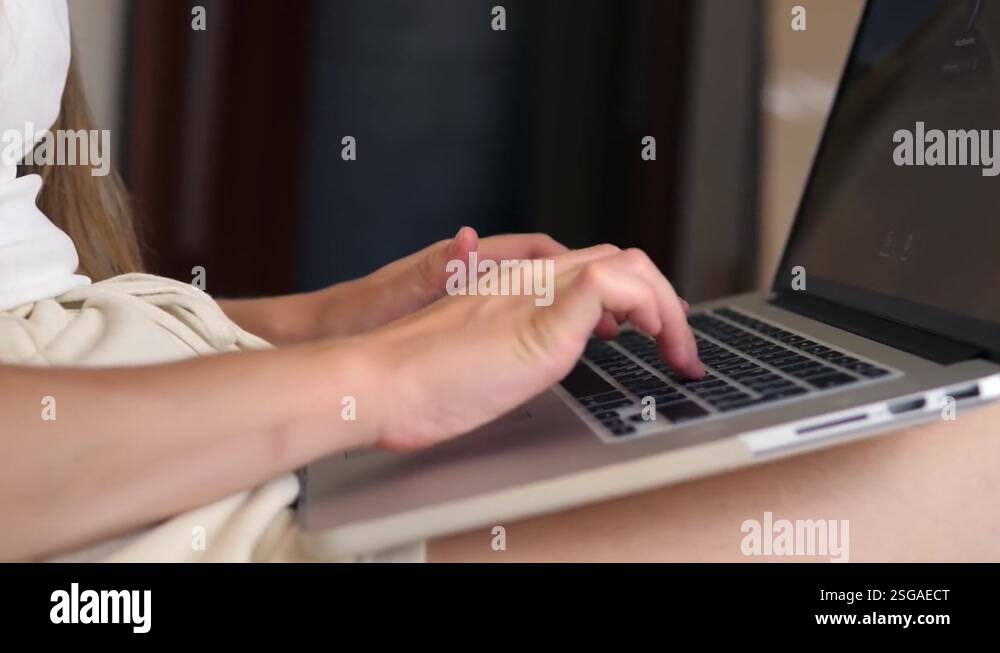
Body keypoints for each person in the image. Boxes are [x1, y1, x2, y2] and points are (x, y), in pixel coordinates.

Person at [3, 1, 997, 563]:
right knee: (973, 461)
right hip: (171, 531)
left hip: (193, 459)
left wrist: (327, 322)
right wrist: (387, 379)